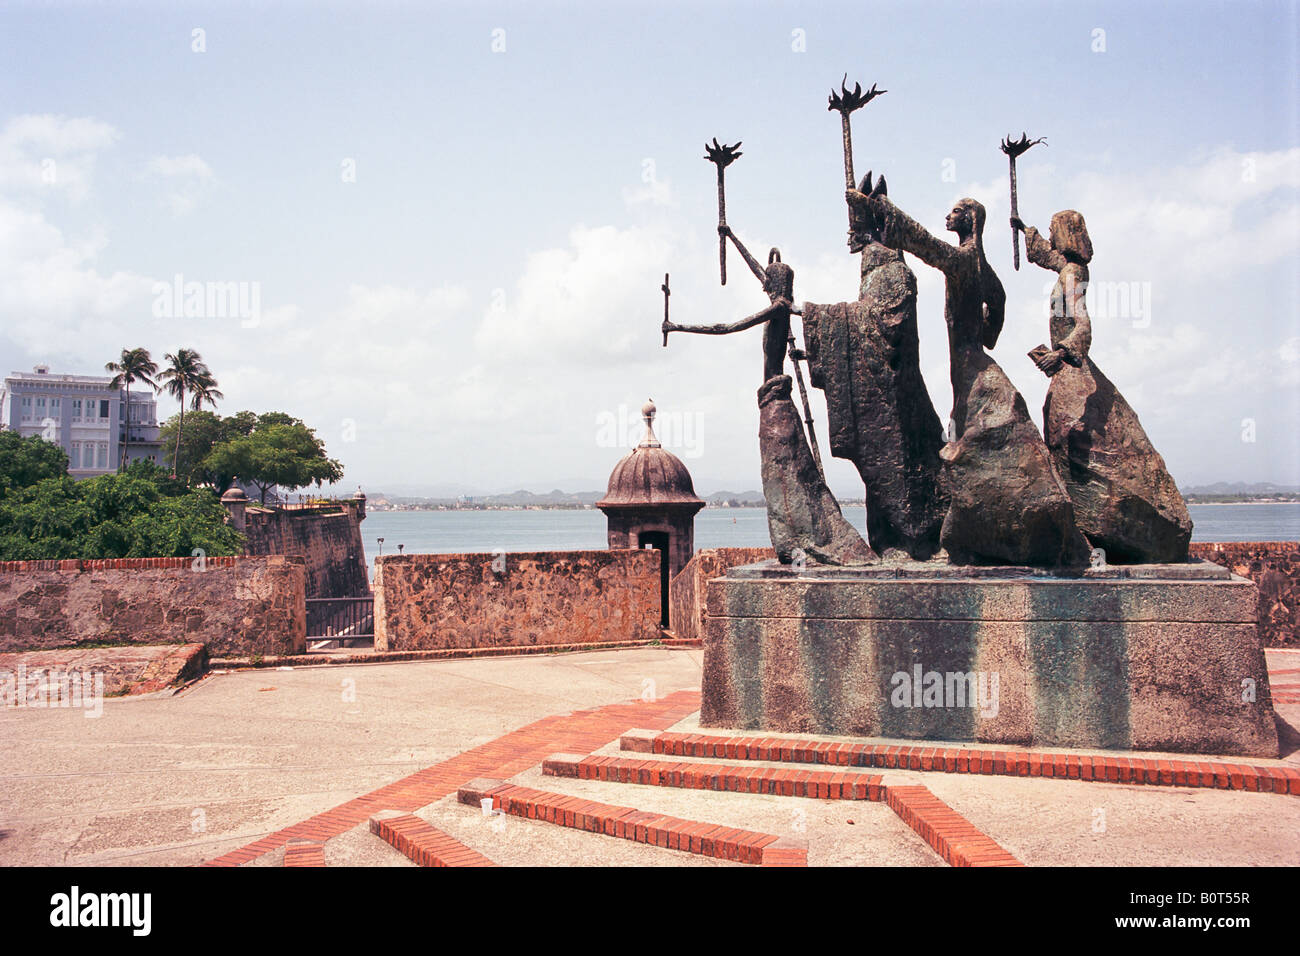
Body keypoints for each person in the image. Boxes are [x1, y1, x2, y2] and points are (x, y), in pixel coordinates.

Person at [846, 186, 1088, 567]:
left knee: (970, 447)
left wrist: (882, 210)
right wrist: (987, 331)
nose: (949, 217)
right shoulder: (984, 268)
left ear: (971, 221)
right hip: (974, 368)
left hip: (973, 372)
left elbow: (924, 244)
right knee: (966, 441)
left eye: (956, 212)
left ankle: (992, 532)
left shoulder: (962, 261)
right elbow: (1000, 302)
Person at [1013, 210, 1192, 563]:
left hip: (1070, 370)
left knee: (1068, 444)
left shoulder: (1073, 275)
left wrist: (1061, 353)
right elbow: (1049, 257)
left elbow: (1083, 323)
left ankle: (1083, 537)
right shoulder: (1069, 268)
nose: (1049, 237)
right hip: (1065, 371)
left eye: (1052, 231)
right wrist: (1025, 230)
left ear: (1065, 234)